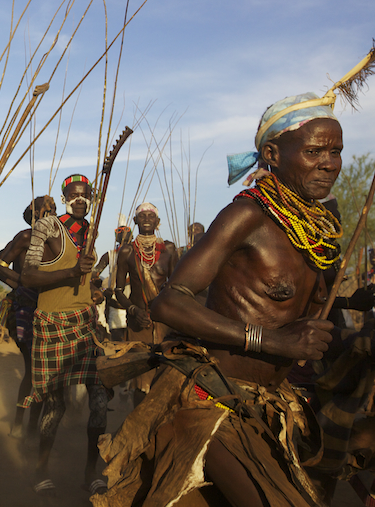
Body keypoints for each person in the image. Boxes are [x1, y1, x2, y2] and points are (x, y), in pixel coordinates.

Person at [94, 93, 345, 507]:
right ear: (272, 154)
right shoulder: (247, 215)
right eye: (314, 151)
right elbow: (169, 303)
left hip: (271, 408)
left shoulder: (315, 228)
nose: (329, 163)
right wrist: (274, 342)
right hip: (215, 400)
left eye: (335, 151)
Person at [19, 173, 109, 495]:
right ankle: (41, 469)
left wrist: (93, 287)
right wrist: (72, 271)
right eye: (74, 195)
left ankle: (90, 472)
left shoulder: (90, 231)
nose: (80, 200)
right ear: (65, 196)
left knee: (100, 400)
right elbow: (28, 276)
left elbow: (84, 279)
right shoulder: (48, 227)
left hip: (86, 326)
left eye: (86, 195)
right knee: (56, 406)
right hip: (53, 325)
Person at [0, 195, 57, 440]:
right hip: (27, 312)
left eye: (53, 211)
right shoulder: (24, 238)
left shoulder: (57, 244)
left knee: (47, 373)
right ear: (33, 215)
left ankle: (31, 428)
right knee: (34, 371)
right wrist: (21, 284)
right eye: (43, 212)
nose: (49, 215)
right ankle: (19, 424)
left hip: (52, 311)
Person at [113, 203, 177, 406]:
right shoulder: (126, 251)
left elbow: (176, 285)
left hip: (165, 321)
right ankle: (137, 423)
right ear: (135, 221)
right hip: (138, 322)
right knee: (142, 378)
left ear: (157, 222)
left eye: (151, 215)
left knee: (167, 373)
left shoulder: (168, 249)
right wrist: (133, 310)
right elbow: (118, 291)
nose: (147, 218)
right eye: (142, 216)